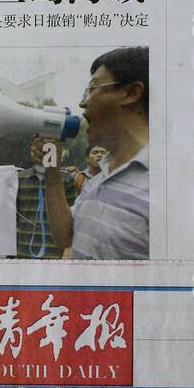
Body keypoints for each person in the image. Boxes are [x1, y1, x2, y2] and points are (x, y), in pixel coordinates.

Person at [42, 47, 150, 259]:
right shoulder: (99, 178)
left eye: (92, 88)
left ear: (132, 93)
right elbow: (66, 237)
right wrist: (52, 174)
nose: (82, 103)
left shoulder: (165, 186)